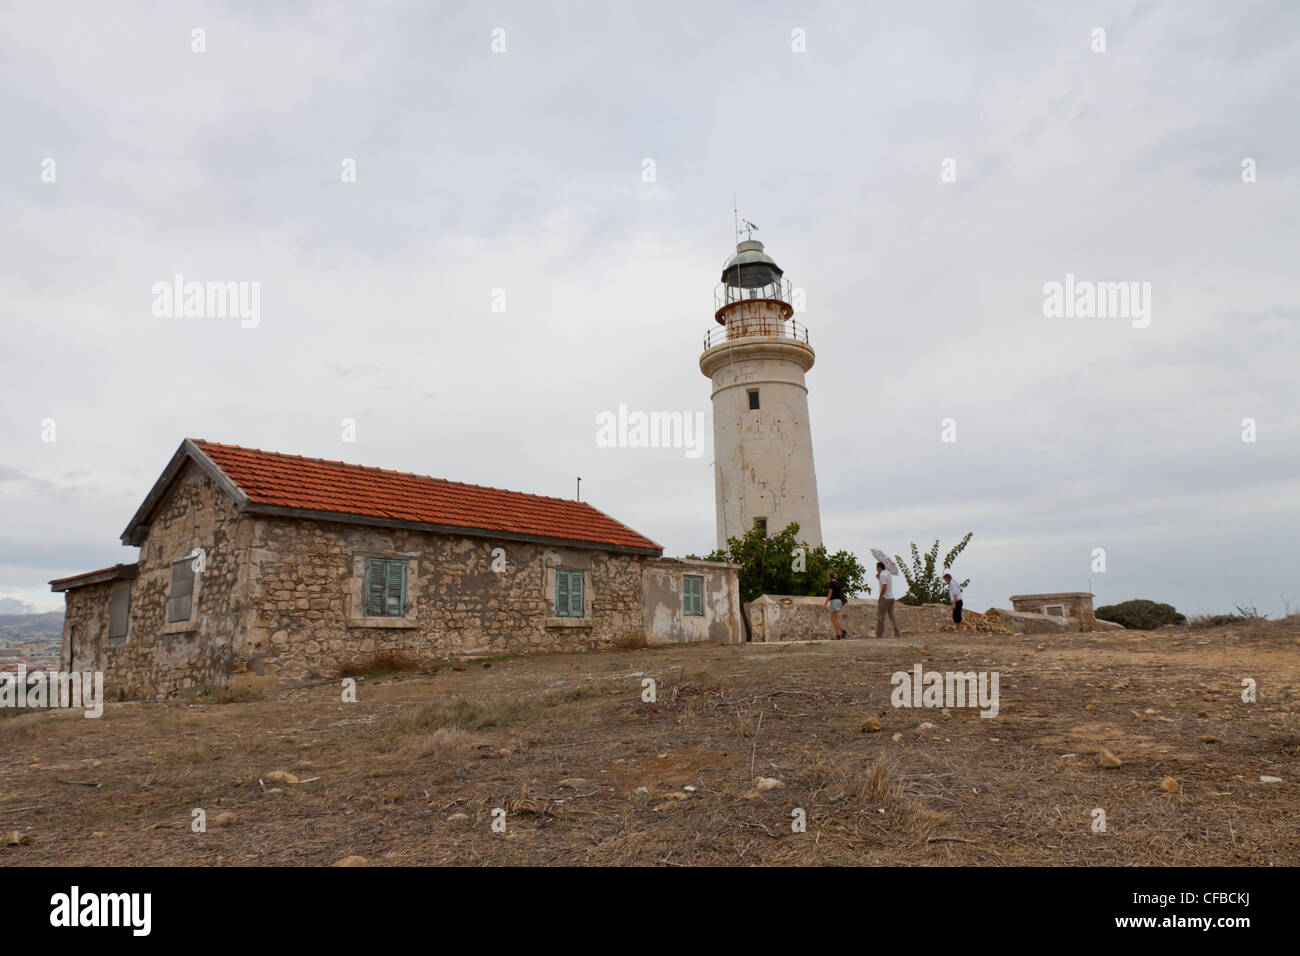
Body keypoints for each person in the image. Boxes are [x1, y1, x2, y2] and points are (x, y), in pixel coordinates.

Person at [875, 561, 901, 638]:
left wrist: (880, 597)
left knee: (880, 616)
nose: (876, 569)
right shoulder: (887, 574)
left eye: (876, 567)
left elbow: (884, 587)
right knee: (892, 616)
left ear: (879, 567)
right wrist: (878, 578)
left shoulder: (882, 575)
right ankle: (897, 634)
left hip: (885, 598)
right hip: (891, 597)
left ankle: (879, 634)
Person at [824, 571, 848, 640]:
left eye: (828, 576)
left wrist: (826, 603)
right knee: (833, 618)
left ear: (829, 576)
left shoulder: (831, 583)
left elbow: (830, 593)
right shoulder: (837, 582)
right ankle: (841, 631)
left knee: (833, 619)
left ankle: (838, 635)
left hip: (834, 601)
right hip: (839, 601)